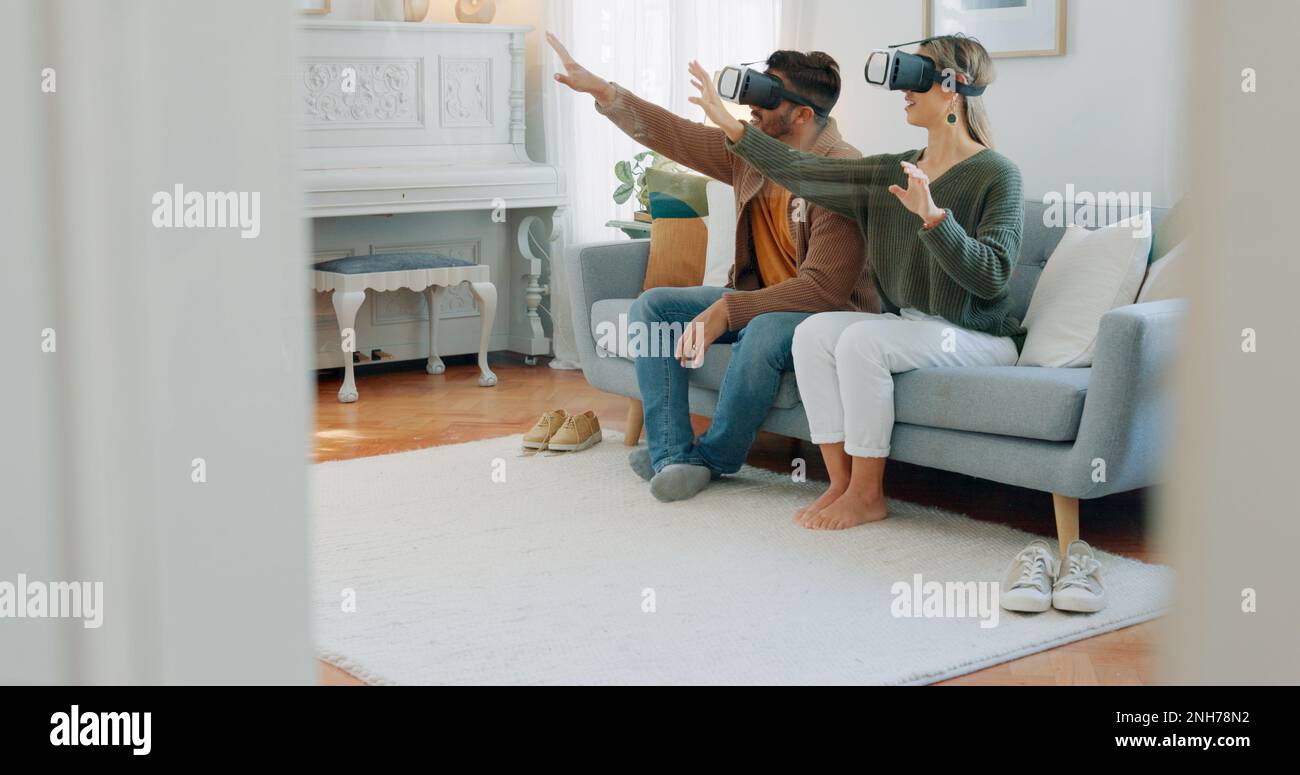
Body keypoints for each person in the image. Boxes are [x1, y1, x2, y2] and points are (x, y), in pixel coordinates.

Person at [688, 35, 1026, 529]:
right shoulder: (895, 169)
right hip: (911, 326)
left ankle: (869, 494)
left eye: (917, 76)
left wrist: (935, 219)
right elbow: (806, 171)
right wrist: (735, 130)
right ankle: (841, 485)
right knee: (813, 333)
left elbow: (992, 274)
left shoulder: (998, 174)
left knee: (861, 341)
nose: (903, 90)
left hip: (979, 336)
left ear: (956, 87)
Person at [548, 33, 879, 502]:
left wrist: (730, 310)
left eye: (767, 97)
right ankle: (671, 454)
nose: (752, 109)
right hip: (762, 299)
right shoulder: (754, 153)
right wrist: (606, 92)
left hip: (827, 314)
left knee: (763, 330)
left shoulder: (841, 172)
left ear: (803, 115)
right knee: (655, 308)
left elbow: (824, 289)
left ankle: (713, 459)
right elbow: (678, 135)